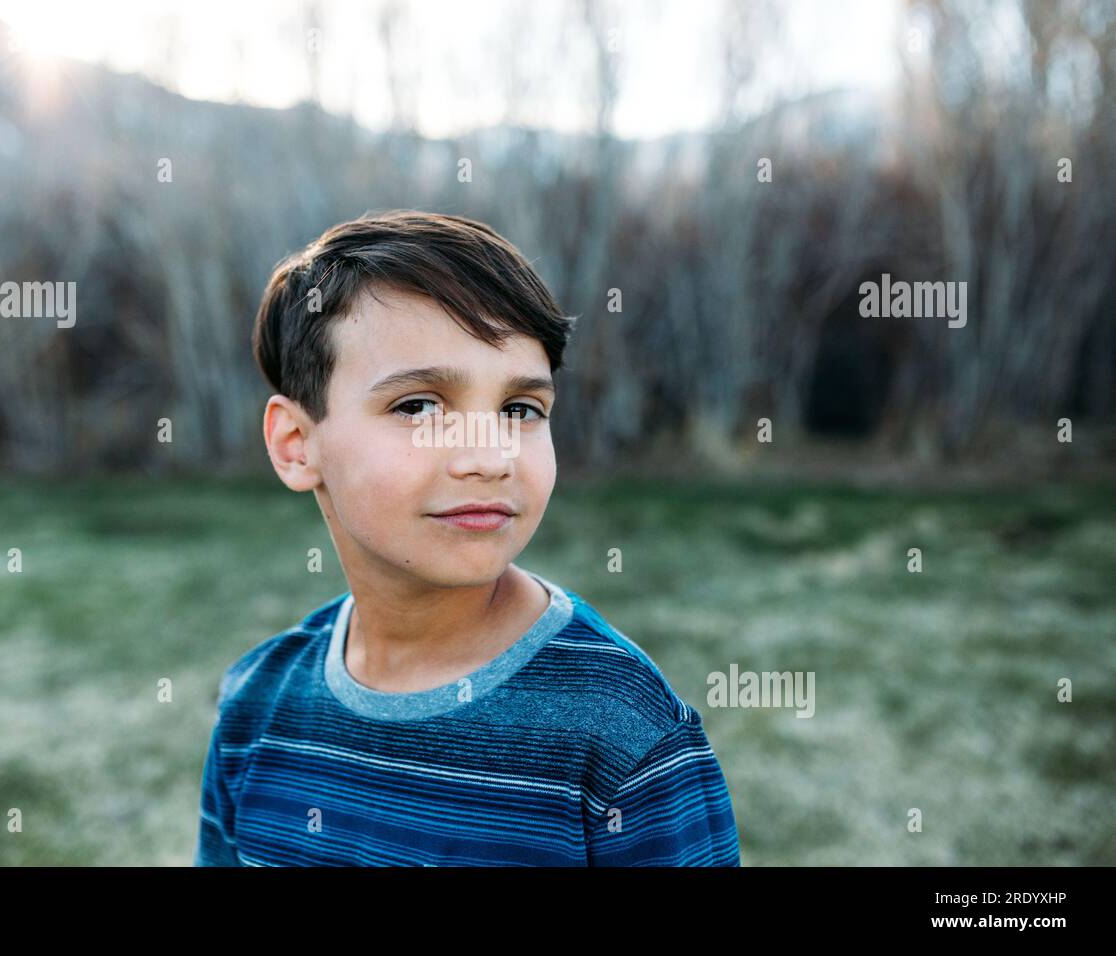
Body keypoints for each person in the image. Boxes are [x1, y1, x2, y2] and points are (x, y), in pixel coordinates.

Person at [195, 209, 739, 866]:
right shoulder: (255, 711)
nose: (489, 458)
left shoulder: (622, 736)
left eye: (519, 410)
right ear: (296, 444)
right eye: (419, 406)